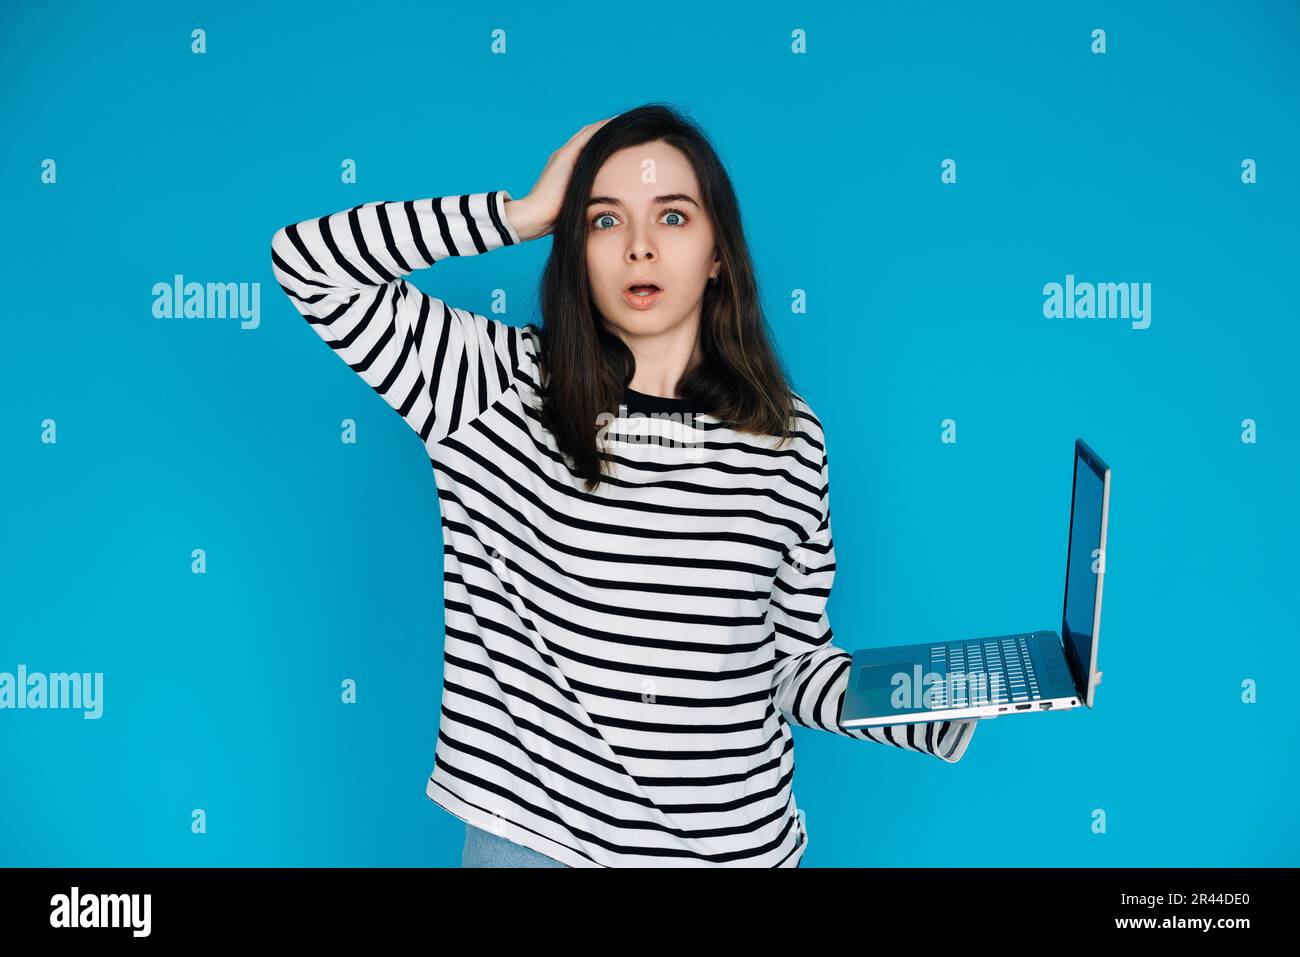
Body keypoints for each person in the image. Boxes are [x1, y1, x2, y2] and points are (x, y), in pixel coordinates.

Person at [270, 103, 978, 868]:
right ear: (575, 251)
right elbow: (308, 264)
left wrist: (925, 699)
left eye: (672, 217)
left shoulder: (788, 436)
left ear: (717, 253)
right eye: (604, 222)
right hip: (540, 849)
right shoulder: (489, 386)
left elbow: (789, 664)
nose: (640, 247)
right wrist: (521, 212)